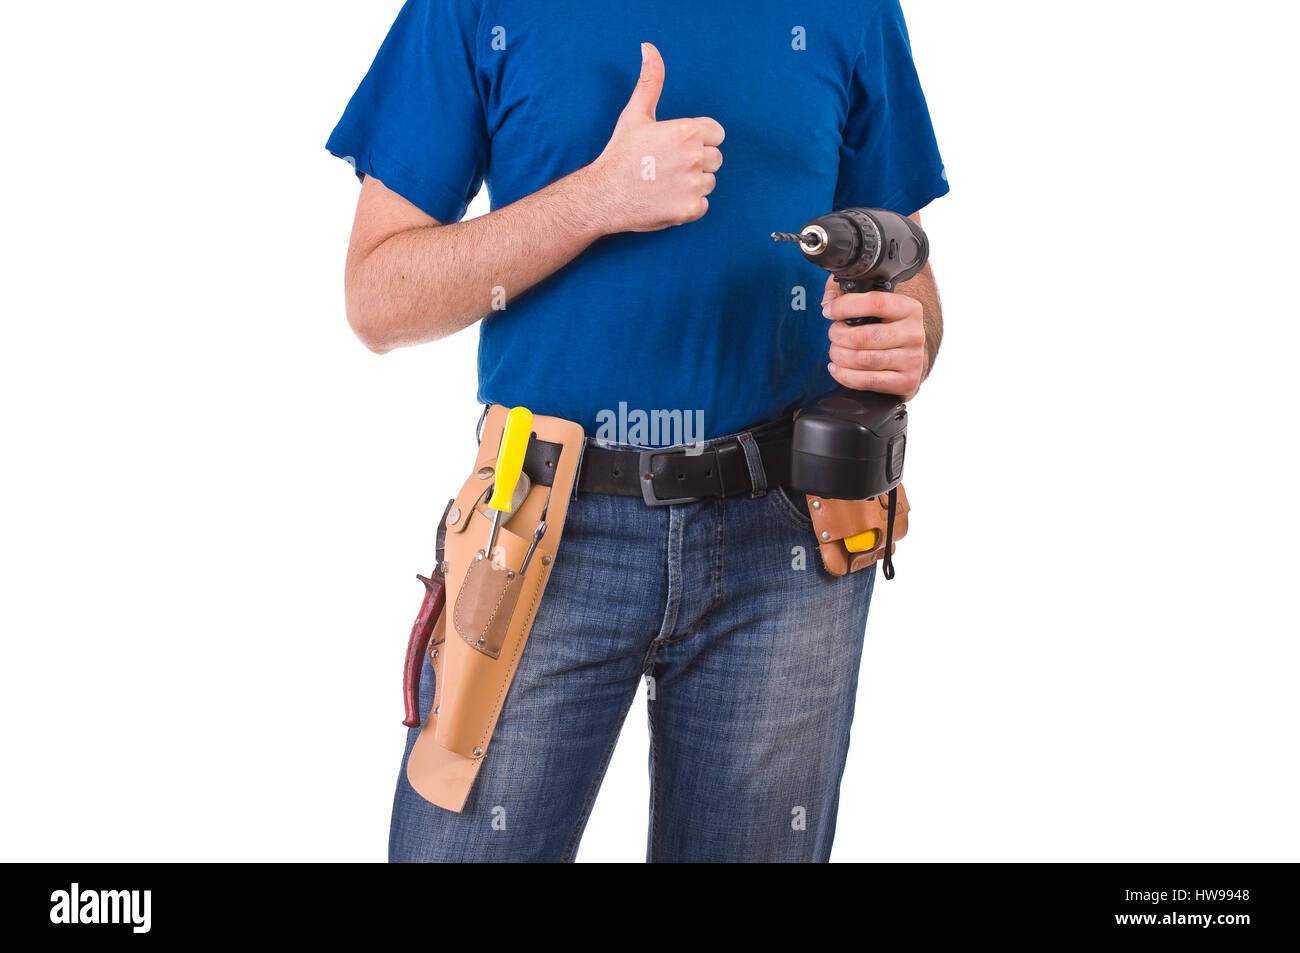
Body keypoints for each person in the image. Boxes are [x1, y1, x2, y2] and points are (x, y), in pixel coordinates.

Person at [327, 0, 948, 862]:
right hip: (541, 537)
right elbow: (378, 296)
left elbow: (906, 268)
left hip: (791, 542)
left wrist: (906, 335)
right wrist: (595, 200)